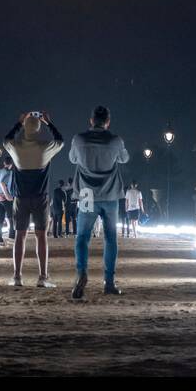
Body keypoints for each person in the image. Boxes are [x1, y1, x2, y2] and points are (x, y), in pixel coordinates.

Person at [69, 104, 129, 300]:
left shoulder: (79, 140)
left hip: (87, 193)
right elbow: (124, 159)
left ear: (91, 120)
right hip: (110, 194)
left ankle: (81, 273)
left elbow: (72, 159)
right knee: (110, 238)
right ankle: (109, 283)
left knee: (82, 237)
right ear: (108, 122)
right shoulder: (115, 141)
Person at [1, 111, 64, 287]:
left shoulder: (16, 147)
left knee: (20, 236)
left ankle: (17, 276)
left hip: (21, 197)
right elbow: (60, 141)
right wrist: (49, 123)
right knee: (41, 236)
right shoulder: (45, 147)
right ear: (38, 128)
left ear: (25, 129)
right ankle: (43, 277)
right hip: (40, 196)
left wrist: (19, 123)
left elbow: (6, 140)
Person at [0, 156, 16, 246]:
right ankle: (12, 235)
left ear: (4, 163)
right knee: (10, 217)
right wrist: (7, 195)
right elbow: (3, 183)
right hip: (6, 198)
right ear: (11, 164)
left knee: (0, 219)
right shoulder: (9, 172)